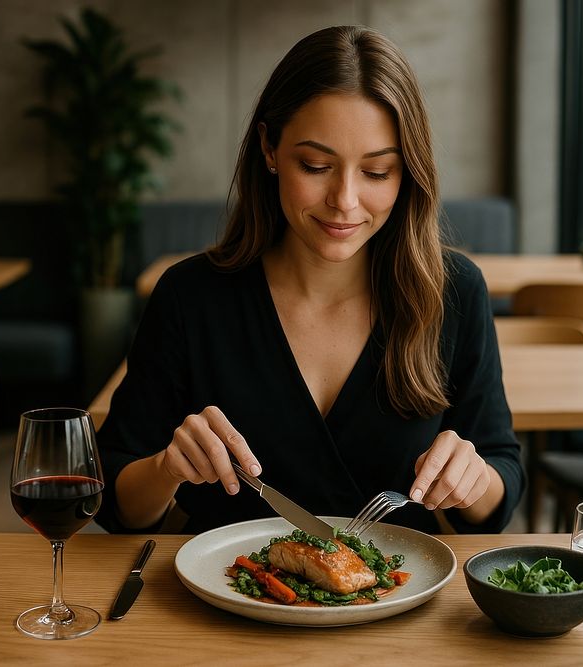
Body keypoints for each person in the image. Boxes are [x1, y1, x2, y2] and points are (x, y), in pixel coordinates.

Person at [95, 25, 523, 536]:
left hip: (400, 585)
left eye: (377, 172)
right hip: (221, 588)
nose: (344, 200)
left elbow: (500, 485)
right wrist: (166, 469)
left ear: (407, 172)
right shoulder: (189, 297)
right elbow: (117, 503)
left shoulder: (453, 291)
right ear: (269, 148)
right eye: (316, 165)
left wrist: (475, 478)